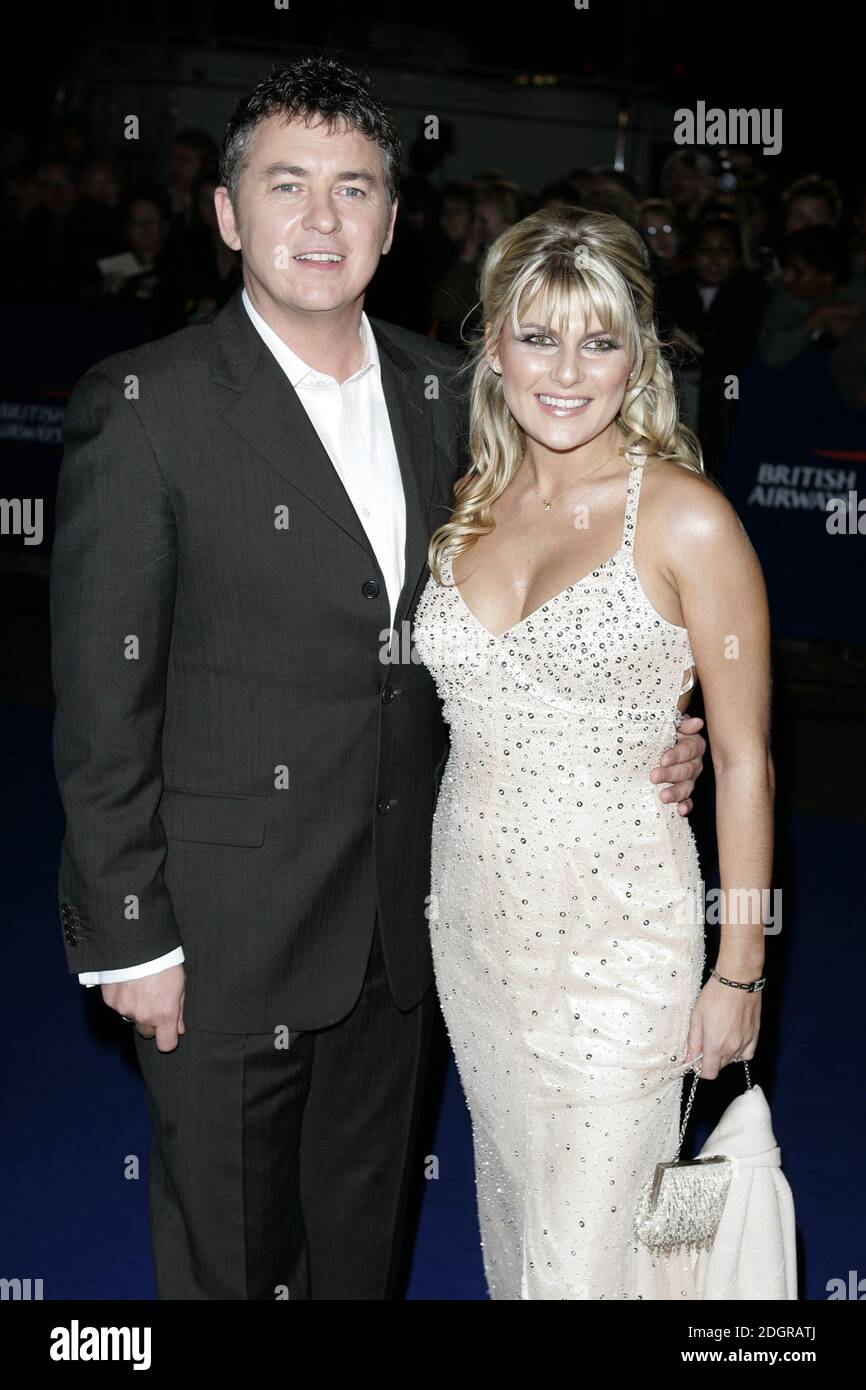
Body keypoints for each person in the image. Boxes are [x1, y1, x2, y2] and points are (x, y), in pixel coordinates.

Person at [50, 58, 707, 1302]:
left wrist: (663, 722)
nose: (320, 218)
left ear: (393, 224)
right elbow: (100, 700)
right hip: (226, 932)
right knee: (232, 1261)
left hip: (412, 928)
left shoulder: (456, 396)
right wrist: (128, 930)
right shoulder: (144, 407)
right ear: (227, 214)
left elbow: (602, 567)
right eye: (284, 184)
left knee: (361, 1257)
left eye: (353, 189)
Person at [413, 206, 772, 1300]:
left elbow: (748, 758)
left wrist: (739, 970)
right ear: (491, 344)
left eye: (599, 340)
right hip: (474, 933)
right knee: (528, 1237)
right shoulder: (469, 506)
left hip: (622, 948)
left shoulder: (682, 520)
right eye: (536, 336)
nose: (565, 371)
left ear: (638, 356)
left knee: (588, 1265)